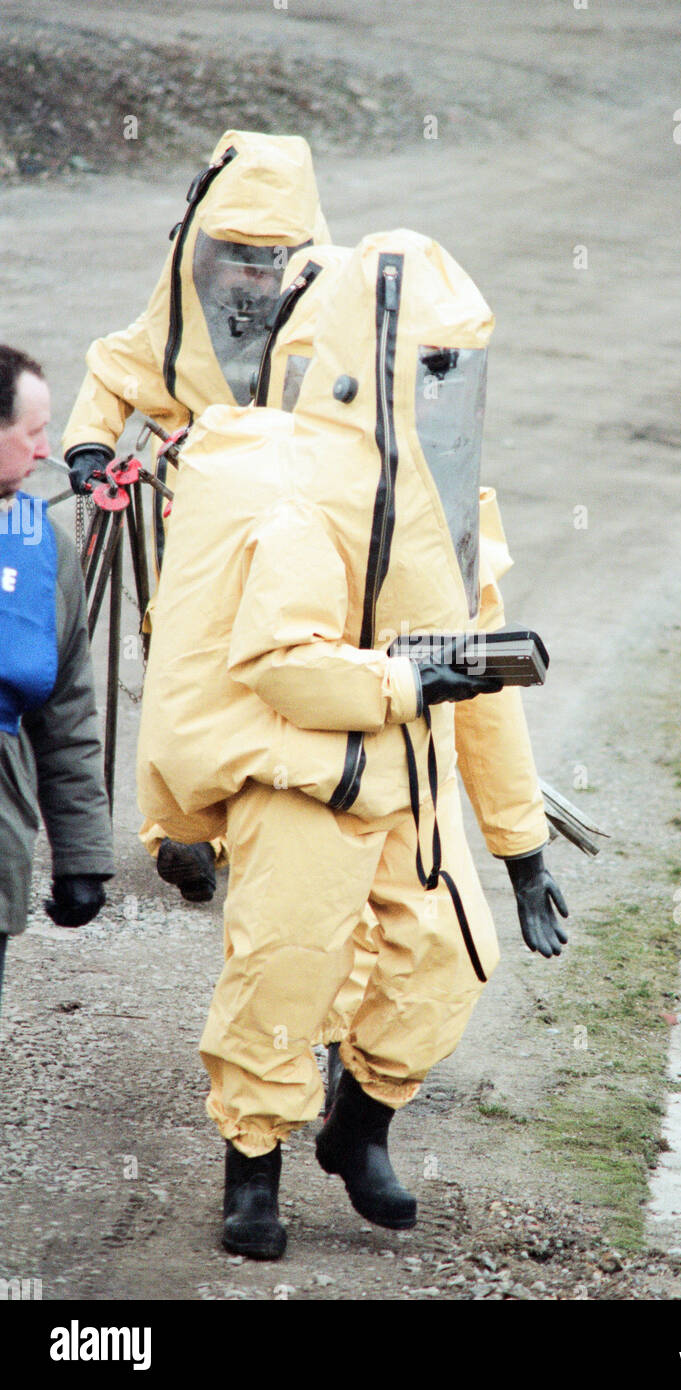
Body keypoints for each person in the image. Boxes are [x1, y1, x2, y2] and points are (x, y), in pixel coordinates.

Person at [137, 231, 569, 1258]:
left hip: (407, 792)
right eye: (429, 367)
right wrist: (405, 680)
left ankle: (358, 1126)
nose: (444, 389)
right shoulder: (289, 489)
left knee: (447, 964)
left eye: (452, 369)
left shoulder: (447, 509)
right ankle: (253, 1170)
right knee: (284, 974)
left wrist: (523, 847)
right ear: (374, 359)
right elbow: (283, 661)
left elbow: (489, 684)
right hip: (303, 776)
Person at [61, 129, 330, 903]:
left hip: (298, 524)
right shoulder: (177, 310)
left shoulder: (333, 308)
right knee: (183, 666)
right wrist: (87, 445)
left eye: (269, 254)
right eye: (237, 250)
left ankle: (264, 819)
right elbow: (118, 369)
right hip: (197, 519)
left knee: (281, 671)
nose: (252, 271)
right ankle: (182, 832)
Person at [0, 346, 114, 1013]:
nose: (48, 452)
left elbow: (67, 711)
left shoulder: (46, 547)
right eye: (33, 432)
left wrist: (81, 858)